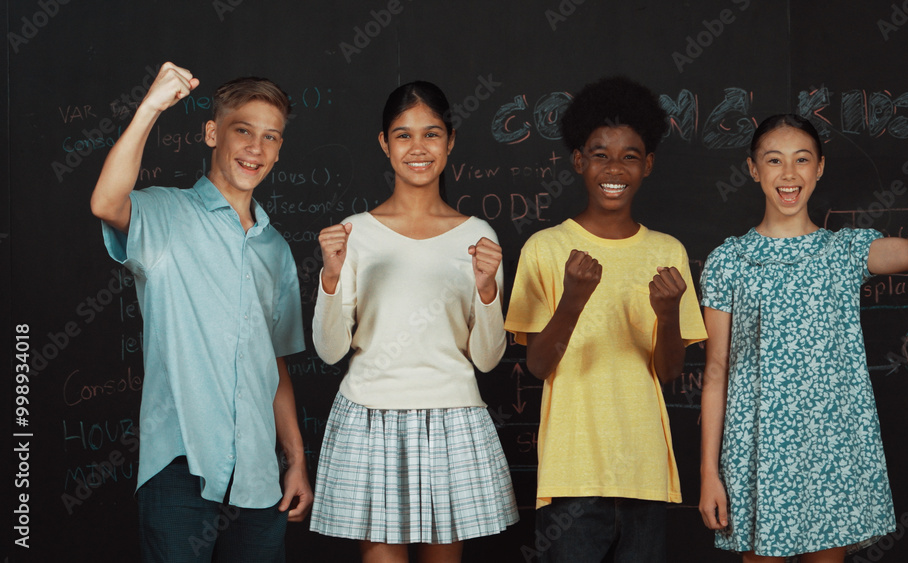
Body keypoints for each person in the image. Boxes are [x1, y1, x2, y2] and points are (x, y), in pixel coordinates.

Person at [698, 111, 908, 562]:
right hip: (759, 450)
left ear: (819, 167)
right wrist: (708, 473)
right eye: (774, 161)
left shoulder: (845, 251)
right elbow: (716, 371)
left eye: (802, 160)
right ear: (753, 169)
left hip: (831, 447)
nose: (789, 174)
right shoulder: (730, 261)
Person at [91, 62, 312, 563]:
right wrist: (151, 107)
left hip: (259, 475)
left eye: (270, 137)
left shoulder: (275, 248)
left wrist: (295, 461)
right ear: (213, 133)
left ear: (279, 149)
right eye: (243, 131)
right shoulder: (166, 215)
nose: (256, 148)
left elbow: (274, 363)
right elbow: (106, 202)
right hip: (180, 465)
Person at [309, 80, 518, 563]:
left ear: (450, 142)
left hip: (452, 418)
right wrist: (331, 276)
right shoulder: (353, 233)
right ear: (384, 144)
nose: (418, 148)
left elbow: (488, 359)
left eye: (431, 134)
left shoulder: (477, 236)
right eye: (403, 135)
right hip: (370, 416)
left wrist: (487, 292)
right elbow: (329, 351)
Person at [504, 76, 708, 562]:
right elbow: (536, 366)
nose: (614, 168)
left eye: (630, 156)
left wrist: (666, 315)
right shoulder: (546, 249)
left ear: (648, 165)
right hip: (572, 475)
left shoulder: (667, 252)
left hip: (645, 473)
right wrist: (572, 300)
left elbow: (670, 371)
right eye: (600, 154)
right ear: (578, 161)